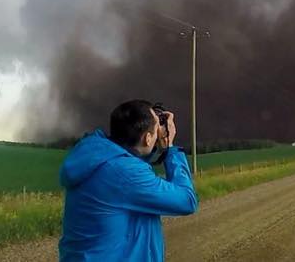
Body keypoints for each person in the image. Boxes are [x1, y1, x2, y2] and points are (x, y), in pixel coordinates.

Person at [59, 100, 199, 261]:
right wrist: (170, 148)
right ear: (148, 138)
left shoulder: (95, 157)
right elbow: (187, 201)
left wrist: (151, 136)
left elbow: (130, 159)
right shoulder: (126, 173)